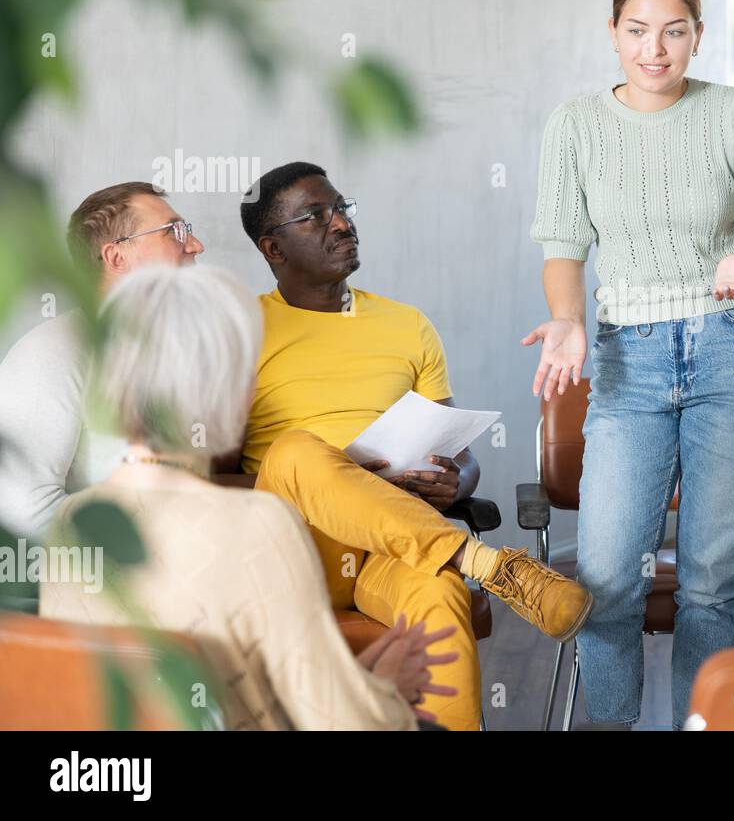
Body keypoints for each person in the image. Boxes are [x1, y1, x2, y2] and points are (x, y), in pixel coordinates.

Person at [525, 0, 734, 729]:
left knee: (712, 583)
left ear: (698, 35)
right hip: (628, 356)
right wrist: (568, 318)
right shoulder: (575, 125)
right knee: (608, 578)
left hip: (733, 345)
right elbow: (562, 244)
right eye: (639, 31)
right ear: (613, 34)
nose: (656, 50)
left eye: (674, 32)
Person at [232, 161, 591, 731]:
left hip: (397, 547)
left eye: (343, 208)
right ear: (273, 248)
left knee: (439, 593)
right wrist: (335, 483)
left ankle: (465, 573)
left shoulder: (407, 325)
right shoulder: (239, 331)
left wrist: (458, 480)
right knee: (296, 451)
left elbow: (458, 447)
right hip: (296, 552)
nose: (342, 224)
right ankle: (488, 563)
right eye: (316, 216)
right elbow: (212, 475)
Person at [41, 265, 451, 730]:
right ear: (231, 391)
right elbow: (340, 724)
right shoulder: (259, 523)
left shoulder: (70, 521)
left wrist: (360, 680)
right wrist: (387, 696)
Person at [0, 182, 203, 541]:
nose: (195, 245)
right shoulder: (55, 349)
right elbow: (23, 510)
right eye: (174, 231)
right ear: (117, 258)